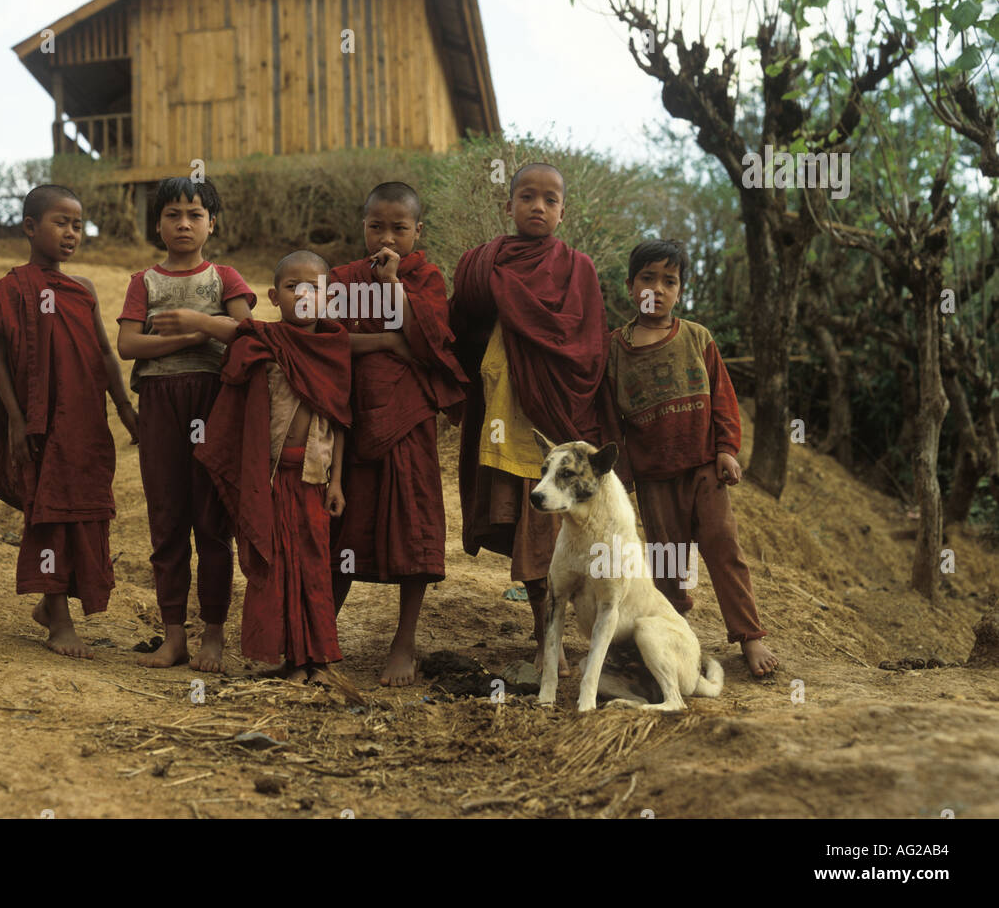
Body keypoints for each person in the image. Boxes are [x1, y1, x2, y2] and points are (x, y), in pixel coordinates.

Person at [0, 184, 138, 659]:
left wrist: (124, 408)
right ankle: (59, 621)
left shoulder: (83, 289)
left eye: (78, 225)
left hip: (84, 420)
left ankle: (49, 604)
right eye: (60, 222)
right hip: (40, 423)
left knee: (85, 506)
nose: (71, 233)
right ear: (29, 227)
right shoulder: (12, 289)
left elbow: (103, 350)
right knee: (48, 510)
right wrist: (17, 422)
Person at [449, 162, 613, 672]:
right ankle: (547, 640)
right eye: (526, 197)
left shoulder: (578, 267)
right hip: (506, 413)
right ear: (509, 205)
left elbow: (588, 348)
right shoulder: (485, 262)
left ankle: (571, 635)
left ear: (563, 211)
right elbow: (460, 326)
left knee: (557, 530)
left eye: (549, 199)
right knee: (528, 527)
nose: (537, 207)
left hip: (560, 413)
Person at [608, 238, 778, 676]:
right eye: (648, 279)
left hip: (704, 468)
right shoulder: (614, 350)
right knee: (667, 557)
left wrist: (726, 450)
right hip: (653, 477)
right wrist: (620, 475)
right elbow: (610, 418)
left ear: (680, 290)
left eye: (669, 281)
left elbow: (723, 399)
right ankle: (672, 629)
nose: (657, 289)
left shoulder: (697, 338)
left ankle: (750, 636)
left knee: (724, 546)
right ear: (630, 286)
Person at [328, 182, 465, 686]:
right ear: (361, 226)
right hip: (352, 419)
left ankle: (403, 643)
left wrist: (392, 288)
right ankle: (323, 636)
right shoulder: (340, 279)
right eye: (376, 226)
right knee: (340, 532)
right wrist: (386, 339)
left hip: (407, 423)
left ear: (417, 231)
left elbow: (430, 343)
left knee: (414, 529)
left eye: (399, 228)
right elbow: (323, 340)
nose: (387, 237)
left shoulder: (425, 278)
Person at [115, 176, 254, 673]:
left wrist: (198, 325)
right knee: (167, 521)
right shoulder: (144, 283)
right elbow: (129, 346)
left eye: (195, 215)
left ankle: (213, 637)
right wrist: (191, 339)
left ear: (212, 224)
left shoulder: (225, 279)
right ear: (157, 224)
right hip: (159, 405)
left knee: (213, 524)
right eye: (172, 214)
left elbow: (248, 335)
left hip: (214, 405)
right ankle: (173, 637)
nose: (183, 223)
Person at [195, 251, 352, 685]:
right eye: (292, 287)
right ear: (272, 296)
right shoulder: (262, 346)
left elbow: (340, 421)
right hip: (270, 477)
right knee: (275, 564)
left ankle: (317, 659)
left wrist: (337, 481)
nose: (303, 295)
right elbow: (237, 410)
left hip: (315, 479)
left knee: (315, 567)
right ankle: (291, 660)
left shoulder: (333, 350)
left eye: (314, 288)